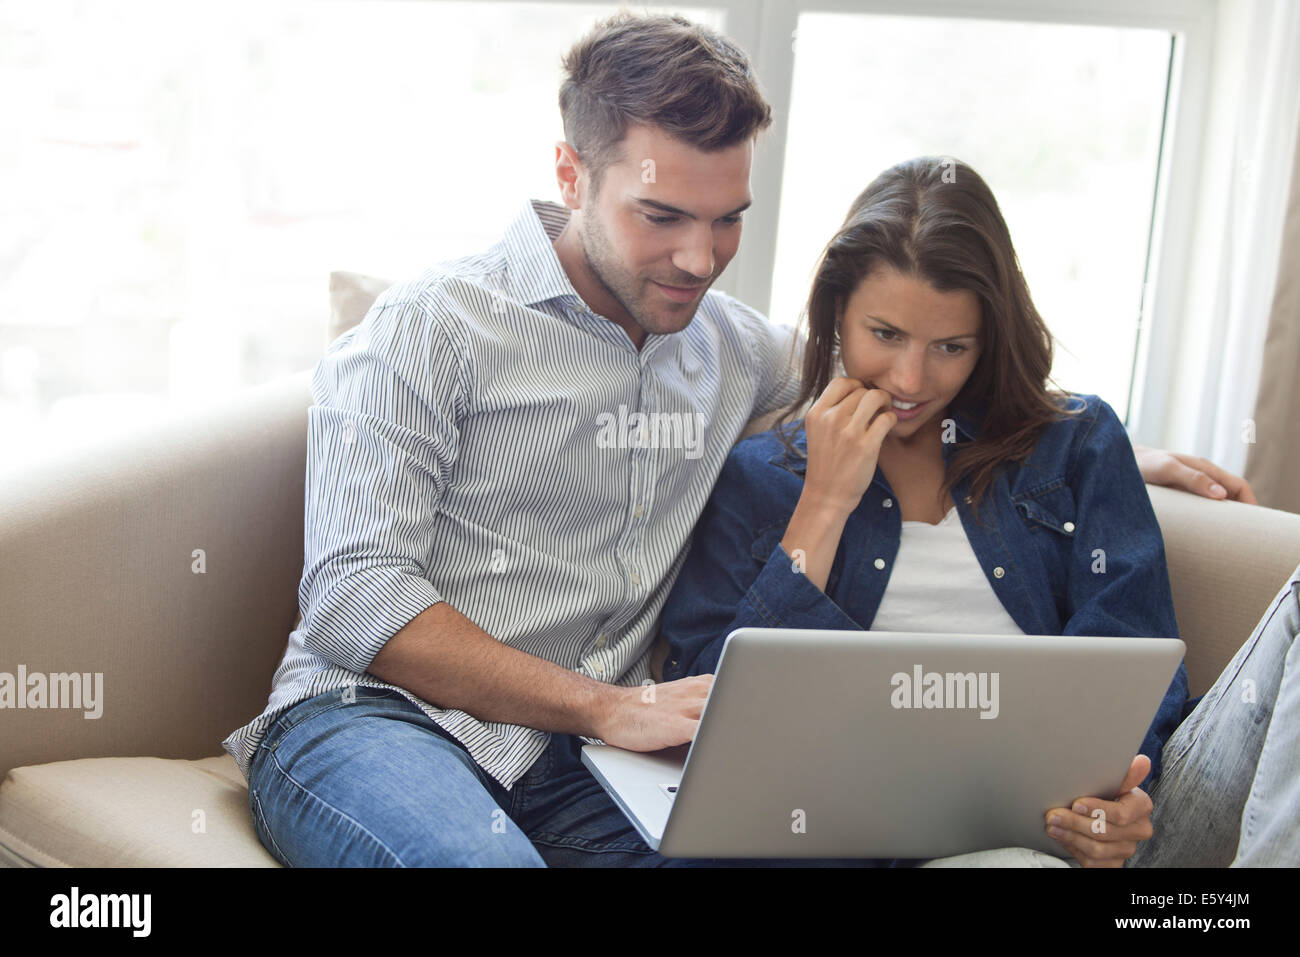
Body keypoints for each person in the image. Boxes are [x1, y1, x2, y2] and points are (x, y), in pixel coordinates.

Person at [225, 12, 1259, 867]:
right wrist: (603, 707)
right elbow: (356, 595)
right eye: (662, 214)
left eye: (727, 220)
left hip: (591, 769)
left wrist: (1090, 443)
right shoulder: (432, 328)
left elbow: (897, 366)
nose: (698, 257)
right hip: (375, 723)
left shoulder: (724, 344)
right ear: (570, 173)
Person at [658, 155, 1299, 868]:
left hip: (1084, 831)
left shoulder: (1077, 445)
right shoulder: (764, 478)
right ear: (837, 312)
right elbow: (709, 710)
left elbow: (1132, 655)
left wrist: (1115, 794)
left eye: (950, 347)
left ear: (990, 336)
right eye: (886, 335)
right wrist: (825, 503)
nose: (910, 380)